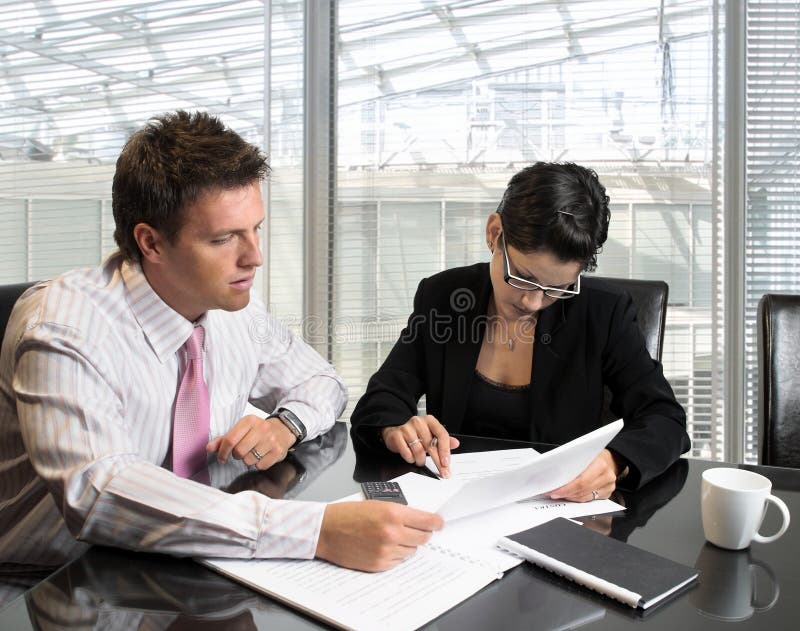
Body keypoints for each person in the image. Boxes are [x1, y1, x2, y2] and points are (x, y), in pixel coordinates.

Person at [0, 111, 442, 588]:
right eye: (224, 238)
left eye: (256, 229)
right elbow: (100, 491)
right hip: (52, 583)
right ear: (150, 242)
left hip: (190, 563)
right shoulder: (64, 329)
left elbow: (323, 382)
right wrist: (315, 530)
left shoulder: (236, 309)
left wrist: (285, 425)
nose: (254, 257)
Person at [350, 162, 690, 501]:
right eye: (523, 277)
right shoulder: (444, 297)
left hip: (556, 508)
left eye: (557, 288)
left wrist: (614, 460)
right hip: (456, 504)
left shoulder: (604, 314)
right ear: (494, 233)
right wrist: (397, 427)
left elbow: (664, 418)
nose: (532, 301)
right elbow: (383, 397)